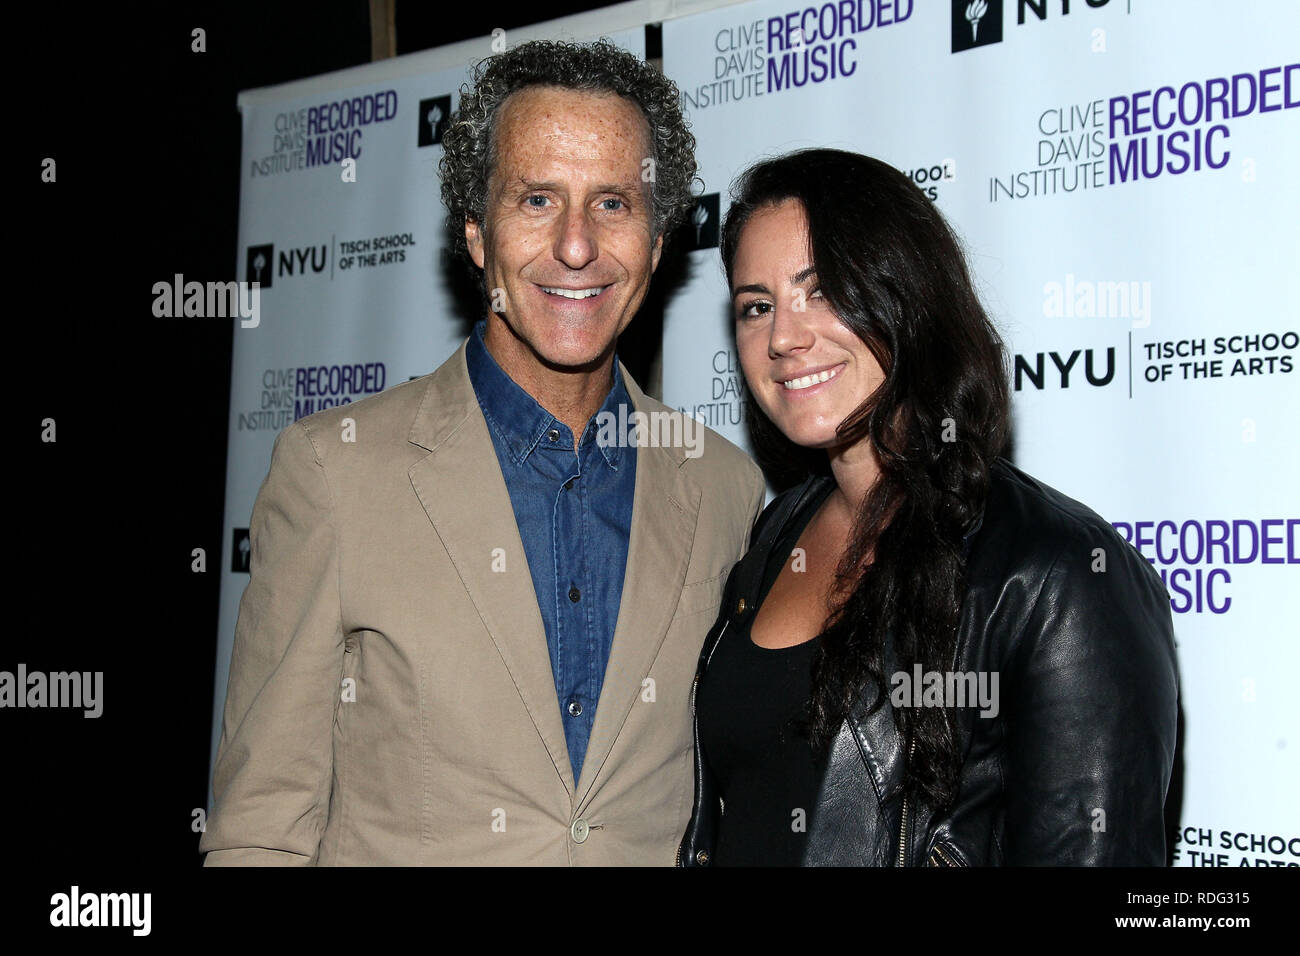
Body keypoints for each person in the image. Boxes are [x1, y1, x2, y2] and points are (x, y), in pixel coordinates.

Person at [200, 39, 765, 866]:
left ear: (658, 236)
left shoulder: (727, 489)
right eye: (537, 200)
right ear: (474, 232)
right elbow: (260, 833)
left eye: (614, 204)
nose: (577, 247)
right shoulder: (336, 474)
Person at [678, 149, 1179, 867]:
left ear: (907, 297)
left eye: (821, 292)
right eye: (757, 306)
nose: (783, 337)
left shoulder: (1057, 577)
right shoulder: (776, 532)